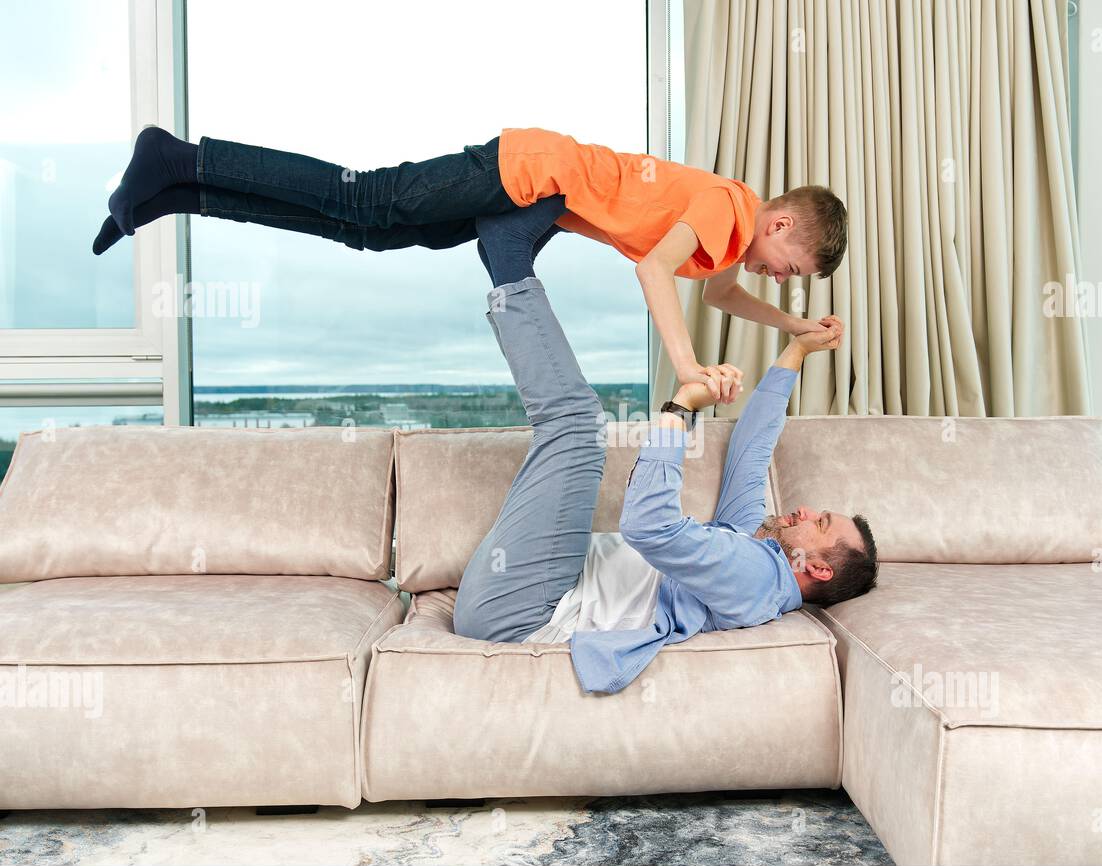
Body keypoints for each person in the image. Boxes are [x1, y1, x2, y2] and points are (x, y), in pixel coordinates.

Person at [459, 196, 878, 695]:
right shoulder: (753, 548)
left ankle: (507, 255)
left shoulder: (757, 578)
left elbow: (648, 526)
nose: (805, 510)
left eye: (821, 523)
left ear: (818, 568)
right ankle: (503, 259)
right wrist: (797, 349)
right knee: (576, 424)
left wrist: (680, 409)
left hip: (523, 610)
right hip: (530, 585)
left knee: (576, 426)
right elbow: (751, 453)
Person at [93, 125, 849, 401]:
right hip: (524, 171)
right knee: (367, 198)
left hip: (534, 197)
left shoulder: (729, 237)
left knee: (370, 233)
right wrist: (687, 367)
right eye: (792, 267)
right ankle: (179, 157)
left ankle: (183, 192)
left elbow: (719, 296)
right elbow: (653, 271)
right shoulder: (726, 208)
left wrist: (795, 328)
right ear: (780, 223)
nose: (783, 278)